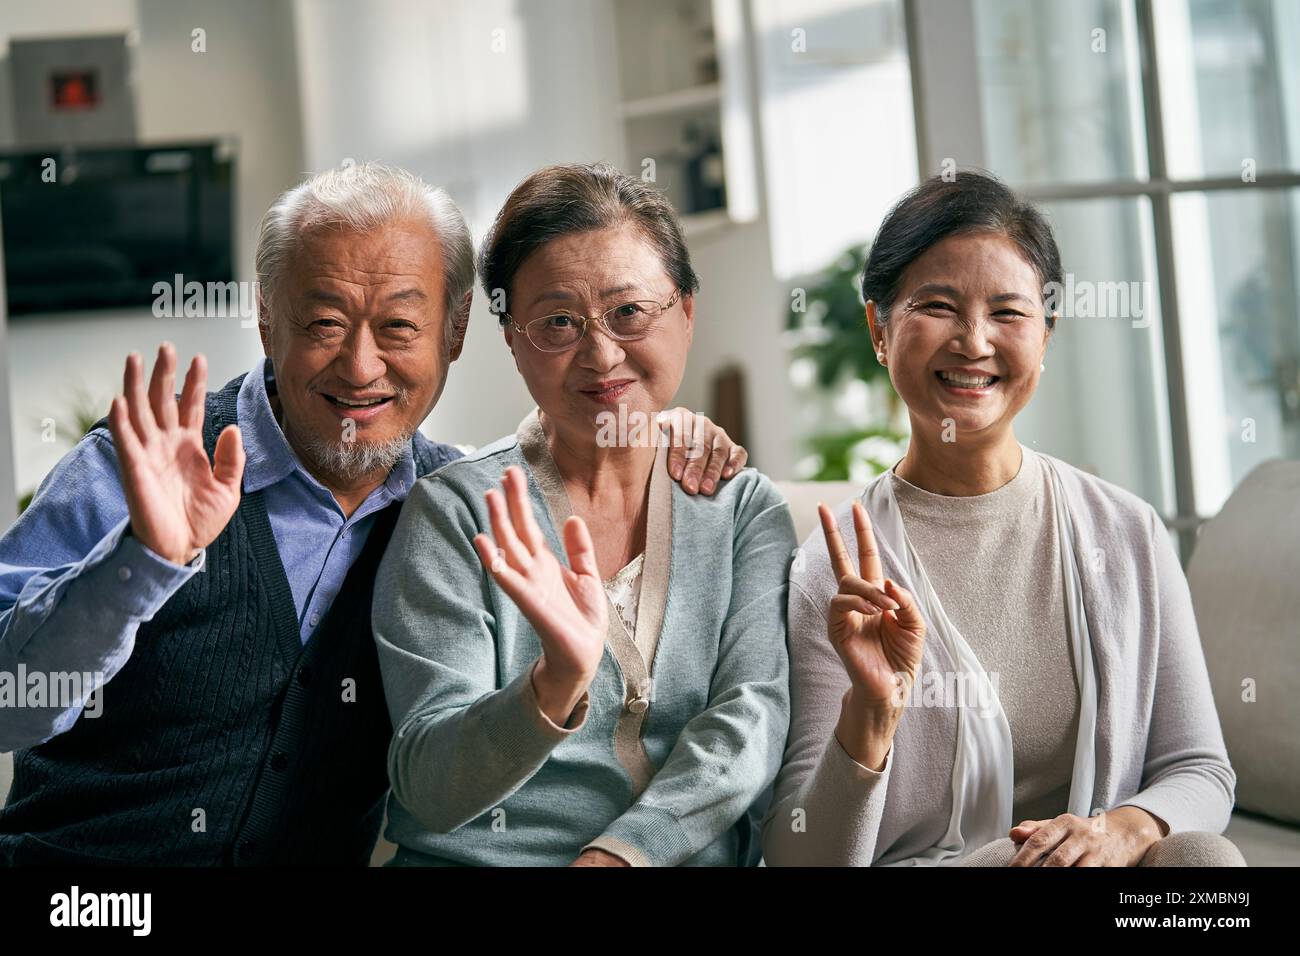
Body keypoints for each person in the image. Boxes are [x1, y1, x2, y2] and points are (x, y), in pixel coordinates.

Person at [0, 162, 742, 865]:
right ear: (266, 320)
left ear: (453, 333)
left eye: (397, 328)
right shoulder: (146, 464)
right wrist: (143, 562)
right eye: (324, 323)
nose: (359, 367)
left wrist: (654, 432)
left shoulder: (460, 511)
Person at [762, 170, 1244, 867]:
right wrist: (869, 717)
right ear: (879, 328)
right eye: (938, 306)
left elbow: (1200, 766)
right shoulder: (837, 571)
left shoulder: (1127, 533)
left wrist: (1121, 829)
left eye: (1008, 313)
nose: (973, 342)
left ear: (1046, 334)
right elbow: (802, 857)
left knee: (1204, 862)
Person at [373, 162, 795, 866]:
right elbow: (428, 785)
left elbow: (750, 721)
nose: (600, 355)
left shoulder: (743, 511)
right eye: (559, 323)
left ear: (686, 311)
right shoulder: (455, 515)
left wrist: (625, 853)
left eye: (630, 312)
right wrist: (553, 685)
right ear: (511, 338)